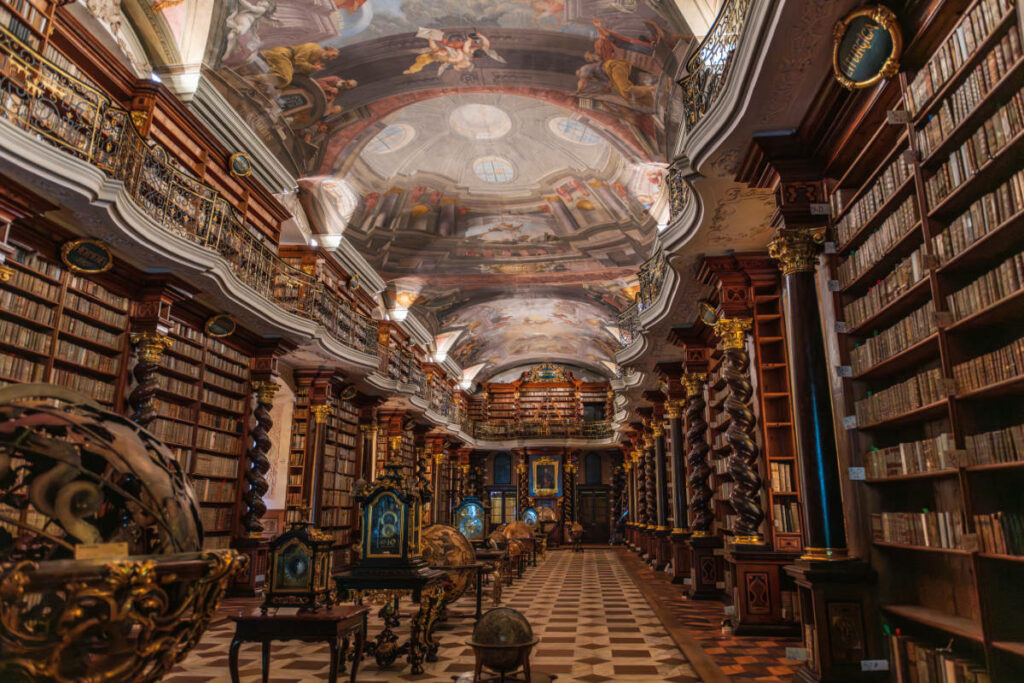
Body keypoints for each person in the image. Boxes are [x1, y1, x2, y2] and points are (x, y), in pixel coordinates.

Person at [251, 43, 340, 93]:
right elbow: (299, 60)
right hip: (282, 55)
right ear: (329, 49)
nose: (330, 58)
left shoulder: (317, 59)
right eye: (332, 55)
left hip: (287, 61)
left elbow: (303, 73)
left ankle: (258, 85)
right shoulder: (314, 47)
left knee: (285, 83)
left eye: (333, 58)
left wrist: (312, 68)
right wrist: (312, 67)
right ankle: (253, 79)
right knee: (285, 78)